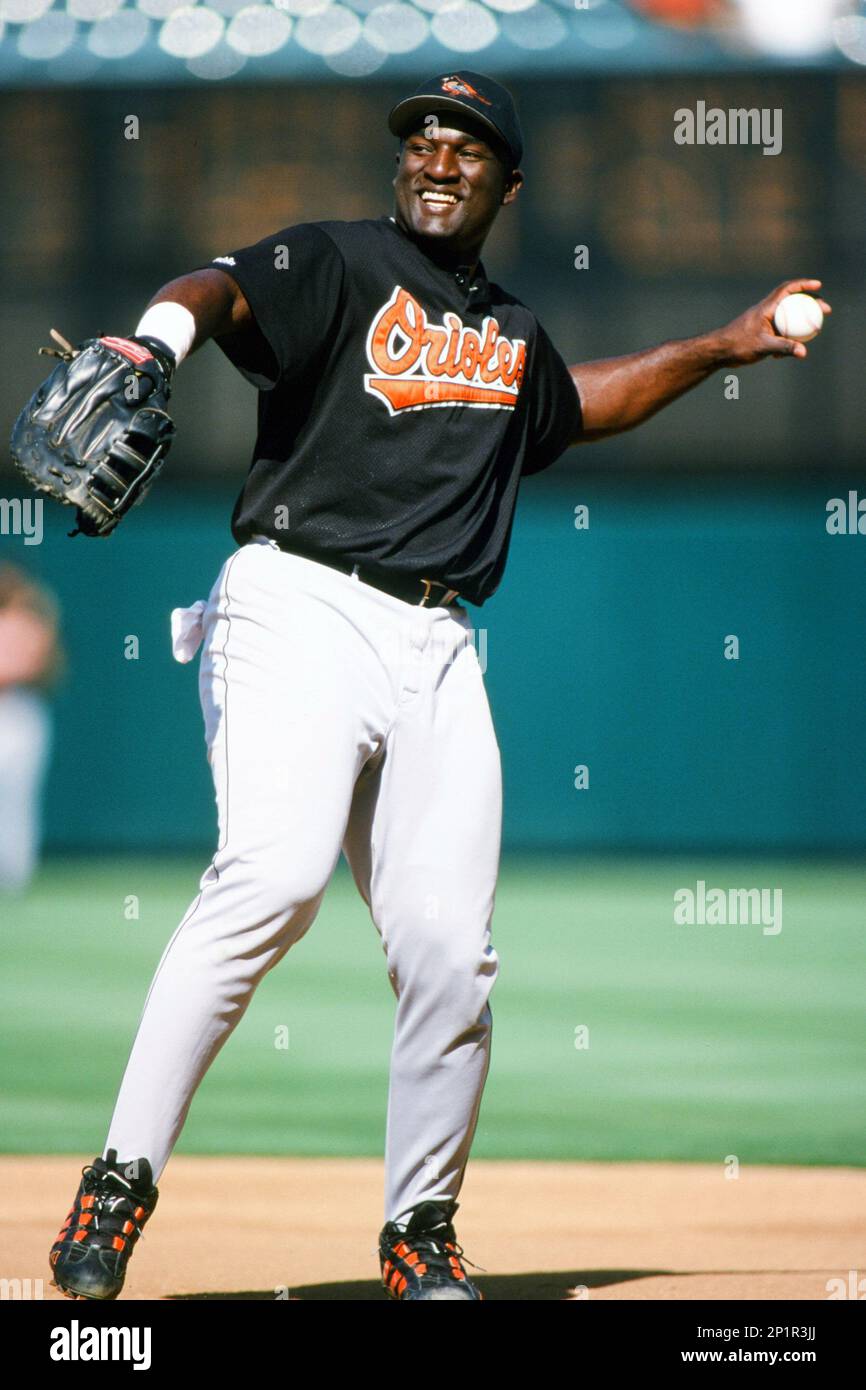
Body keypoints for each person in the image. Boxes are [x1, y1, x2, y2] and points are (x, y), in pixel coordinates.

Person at [48, 70, 830, 1302]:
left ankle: (419, 1229)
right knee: (272, 878)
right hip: (296, 601)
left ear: (506, 184)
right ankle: (115, 1187)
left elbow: (580, 405)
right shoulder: (341, 262)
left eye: (466, 146)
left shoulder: (512, 335)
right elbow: (220, 284)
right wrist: (154, 340)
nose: (435, 157)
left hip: (436, 642)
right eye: (419, 138)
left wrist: (726, 342)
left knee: (450, 952)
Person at [0, 563, 62, 893]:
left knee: (17, 796)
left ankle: (14, 871)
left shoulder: (31, 623)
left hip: (18, 709)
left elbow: (38, 667)